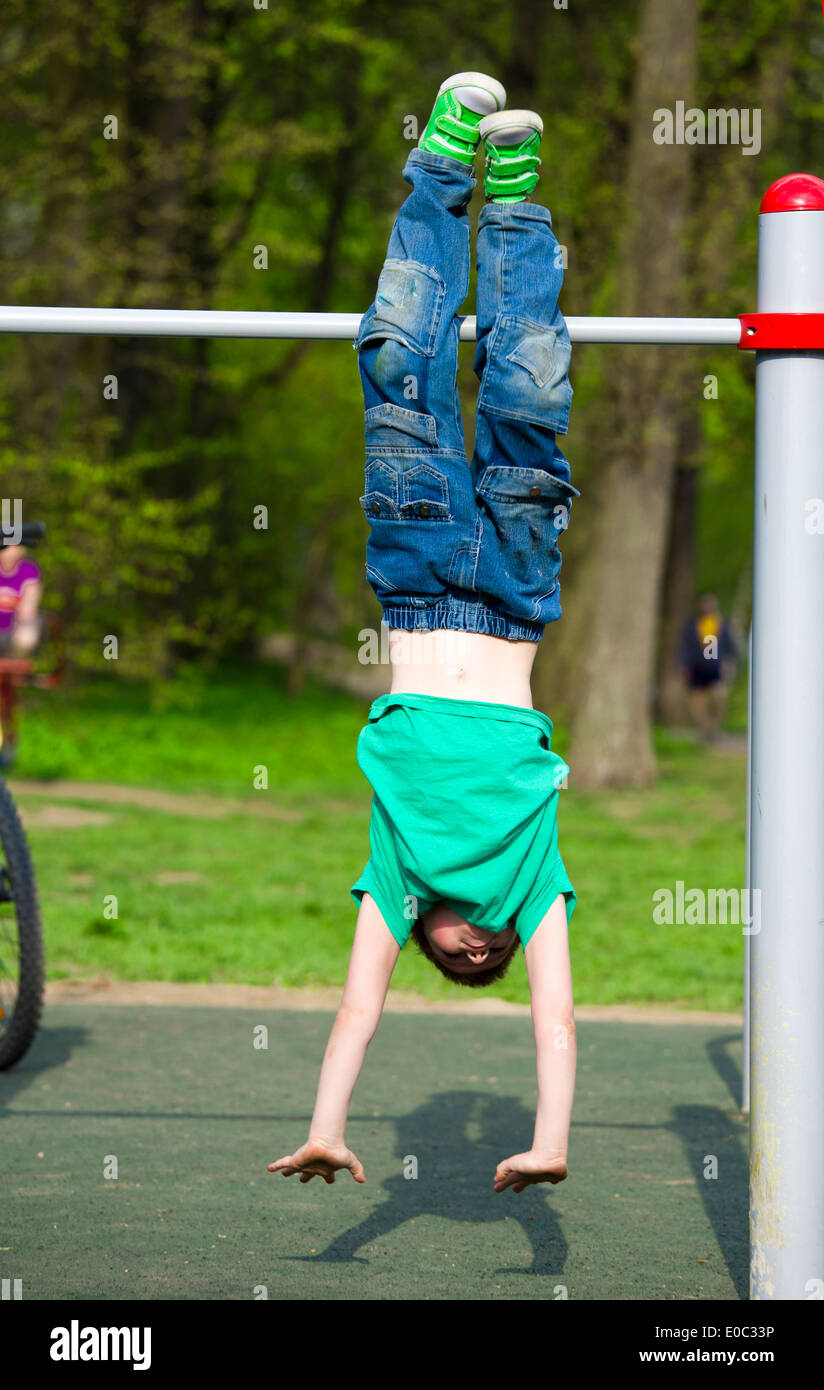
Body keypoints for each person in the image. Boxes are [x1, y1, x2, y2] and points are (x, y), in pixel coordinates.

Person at [270, 74, 578, 1195]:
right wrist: (546, 1142)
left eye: (459, 962)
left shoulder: (395, 879)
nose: (479, 953)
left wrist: (325, 1124)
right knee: (524, 384)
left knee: (401, 364)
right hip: (509, 590)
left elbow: (358, 1009)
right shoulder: (530, 881)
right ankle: (514, 202)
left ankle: (440, 170)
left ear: (428, 939)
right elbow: (555, 1025)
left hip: (410, 586)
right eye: (487, 959)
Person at [678, 592, 737, 742]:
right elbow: (685, 647)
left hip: (716, 667)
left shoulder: (722, 624)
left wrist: (730, 663)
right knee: (698, 702)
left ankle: (713, 728)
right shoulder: (693, 625)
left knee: (719, 698)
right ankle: (704, 729)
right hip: (698, 667)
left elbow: (731, 646)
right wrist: (684, 666)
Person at [0, 542, 42, 657]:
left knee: (26, 635)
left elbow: (28, 609)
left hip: (16, 627)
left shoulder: (29, 570)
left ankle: (14, 670)